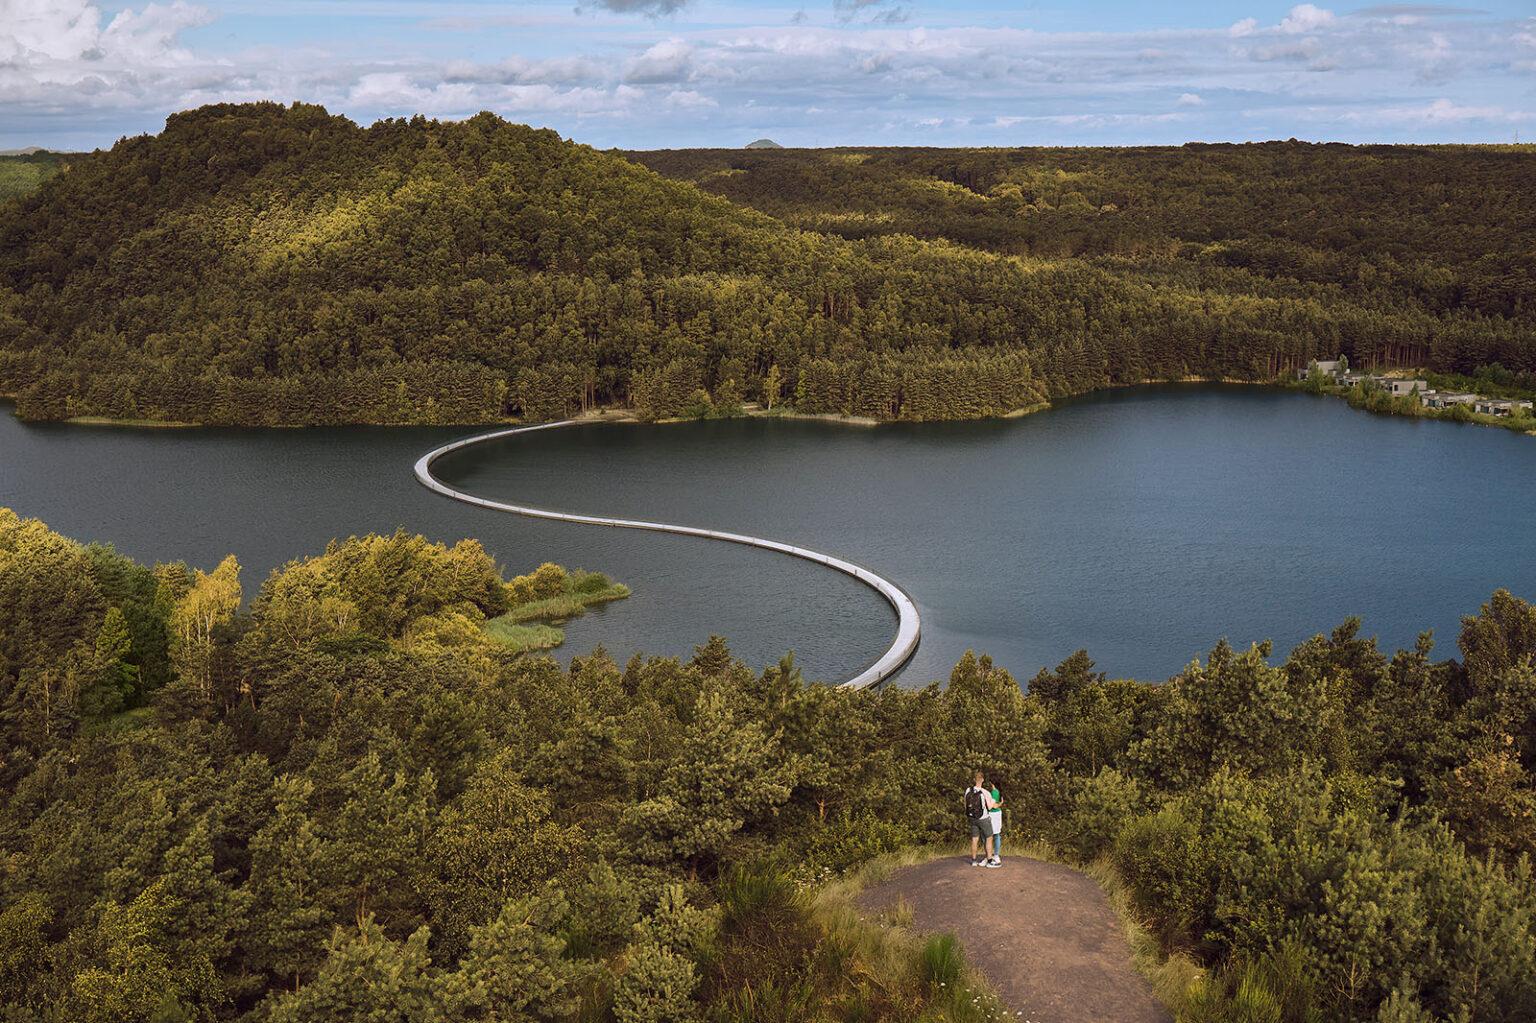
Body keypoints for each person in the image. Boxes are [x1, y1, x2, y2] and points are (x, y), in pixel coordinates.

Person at [964, 770, 996, 867]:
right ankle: (990, 860)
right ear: (982, 780)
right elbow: (990, 807)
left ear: (974, 779)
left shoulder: (968, 790)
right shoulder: (985, 792)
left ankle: (974, 861)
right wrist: (994, 800)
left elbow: (965, 804)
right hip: (983, 818)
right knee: (989, 838)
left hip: (972, 818)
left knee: (974, 839)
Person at [988, 781, 1004, 867]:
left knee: (989, 836)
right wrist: (1000, 803)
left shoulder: (994, 792)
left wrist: (999, 804)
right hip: (997, 814)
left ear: (991, 782)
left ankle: (991, 856)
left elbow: (993, 806)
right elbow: (999, 803)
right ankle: (995, 855)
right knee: (996, 835)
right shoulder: (999, 791)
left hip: (993, 814)